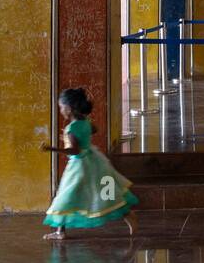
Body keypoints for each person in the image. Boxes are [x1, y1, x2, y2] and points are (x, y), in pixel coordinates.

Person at [42, 87, 138, 241]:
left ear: (69, 108)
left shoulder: (71, 128)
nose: (60, 110)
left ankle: (60, 231)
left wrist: (52, 148)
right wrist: (73, 138)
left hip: (78, 167)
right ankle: (127, 215)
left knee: (65, 196)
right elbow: (93, 130)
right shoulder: (85, 122)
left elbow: (74, 151)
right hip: (94, 161)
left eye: (61, 107)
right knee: (107, 193)